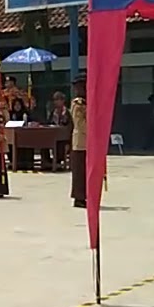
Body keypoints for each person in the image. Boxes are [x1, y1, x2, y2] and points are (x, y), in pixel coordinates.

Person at [70, 75, 88, 208]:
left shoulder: (88, 102)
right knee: (79, 172)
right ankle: (79, 197)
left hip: (89, 143)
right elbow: (80, 123)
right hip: (81, 142)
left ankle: (86, 195)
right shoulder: (78, 104)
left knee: (87, 171)